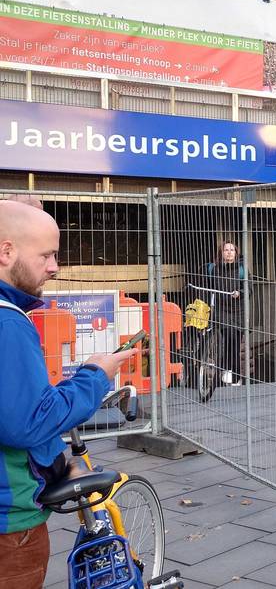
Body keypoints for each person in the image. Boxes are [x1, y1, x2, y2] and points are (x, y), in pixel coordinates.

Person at [0, 200, 136, 589]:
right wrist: (96, 375)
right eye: (46, 254)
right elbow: (26, 423)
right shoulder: (8, 324)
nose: (54, 266)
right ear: (7, 252)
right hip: (11, 526)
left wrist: (58, 465)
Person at [205, 241, 248, 386]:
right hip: (221, 310)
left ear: (236, 253)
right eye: (226, 250)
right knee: (228, 338)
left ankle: (231, 374)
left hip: (238, 311)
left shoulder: (242, 269)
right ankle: (229, 373)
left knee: (235, 342)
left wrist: (240, 293)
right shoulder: (214, 269)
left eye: (232, 250)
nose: (229, 252)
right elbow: (207, 286)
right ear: (221, 253)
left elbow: (250, 288)